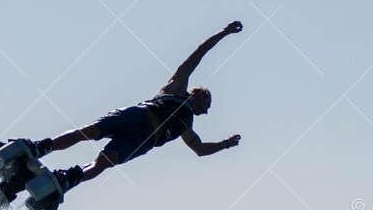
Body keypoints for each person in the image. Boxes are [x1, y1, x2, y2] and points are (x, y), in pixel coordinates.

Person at [26, 21, 244, 193]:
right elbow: (198, 54)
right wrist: (224, 33)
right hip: (137, 116)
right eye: (206, 103)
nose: (206, 111)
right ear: (196, 94)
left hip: (142, 140)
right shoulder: (176, 88)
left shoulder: (186, 126)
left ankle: (69, 179)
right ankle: (43, 147)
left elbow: (200, 150)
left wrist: (225, 144)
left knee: (104, 162)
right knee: (89, 131)